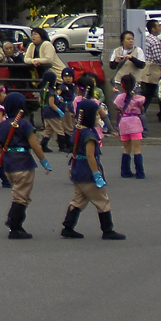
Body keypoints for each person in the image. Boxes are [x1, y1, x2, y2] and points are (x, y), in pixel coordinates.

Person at [60, 100, 124, 240]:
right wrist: (96, 174)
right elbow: (90, 156)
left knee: (79, 199)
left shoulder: (78, 130)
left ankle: (68, 227)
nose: (98, 118)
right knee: (102, 200)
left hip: (77, 169)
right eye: (96, 115)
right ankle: (107, 230)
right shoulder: (89, 135)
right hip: (87, 171)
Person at [0, 93, 49, 238]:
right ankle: (15, 226)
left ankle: (14, 221)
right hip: (23, 163)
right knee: (21, 197)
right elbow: (35, 145)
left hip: (9, 164)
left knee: (18, 193)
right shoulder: (25, 125)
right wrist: (44, 161)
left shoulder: (3, 125)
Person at [114, 74, 147, 179]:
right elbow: (142, 109)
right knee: (137, 150)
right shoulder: (138, 98)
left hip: (124, 122)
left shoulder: (119, 98)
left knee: (126, 149)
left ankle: (125, 172)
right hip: (135, 122)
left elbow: (118, 109)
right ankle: (140, 173)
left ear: (122, 85)